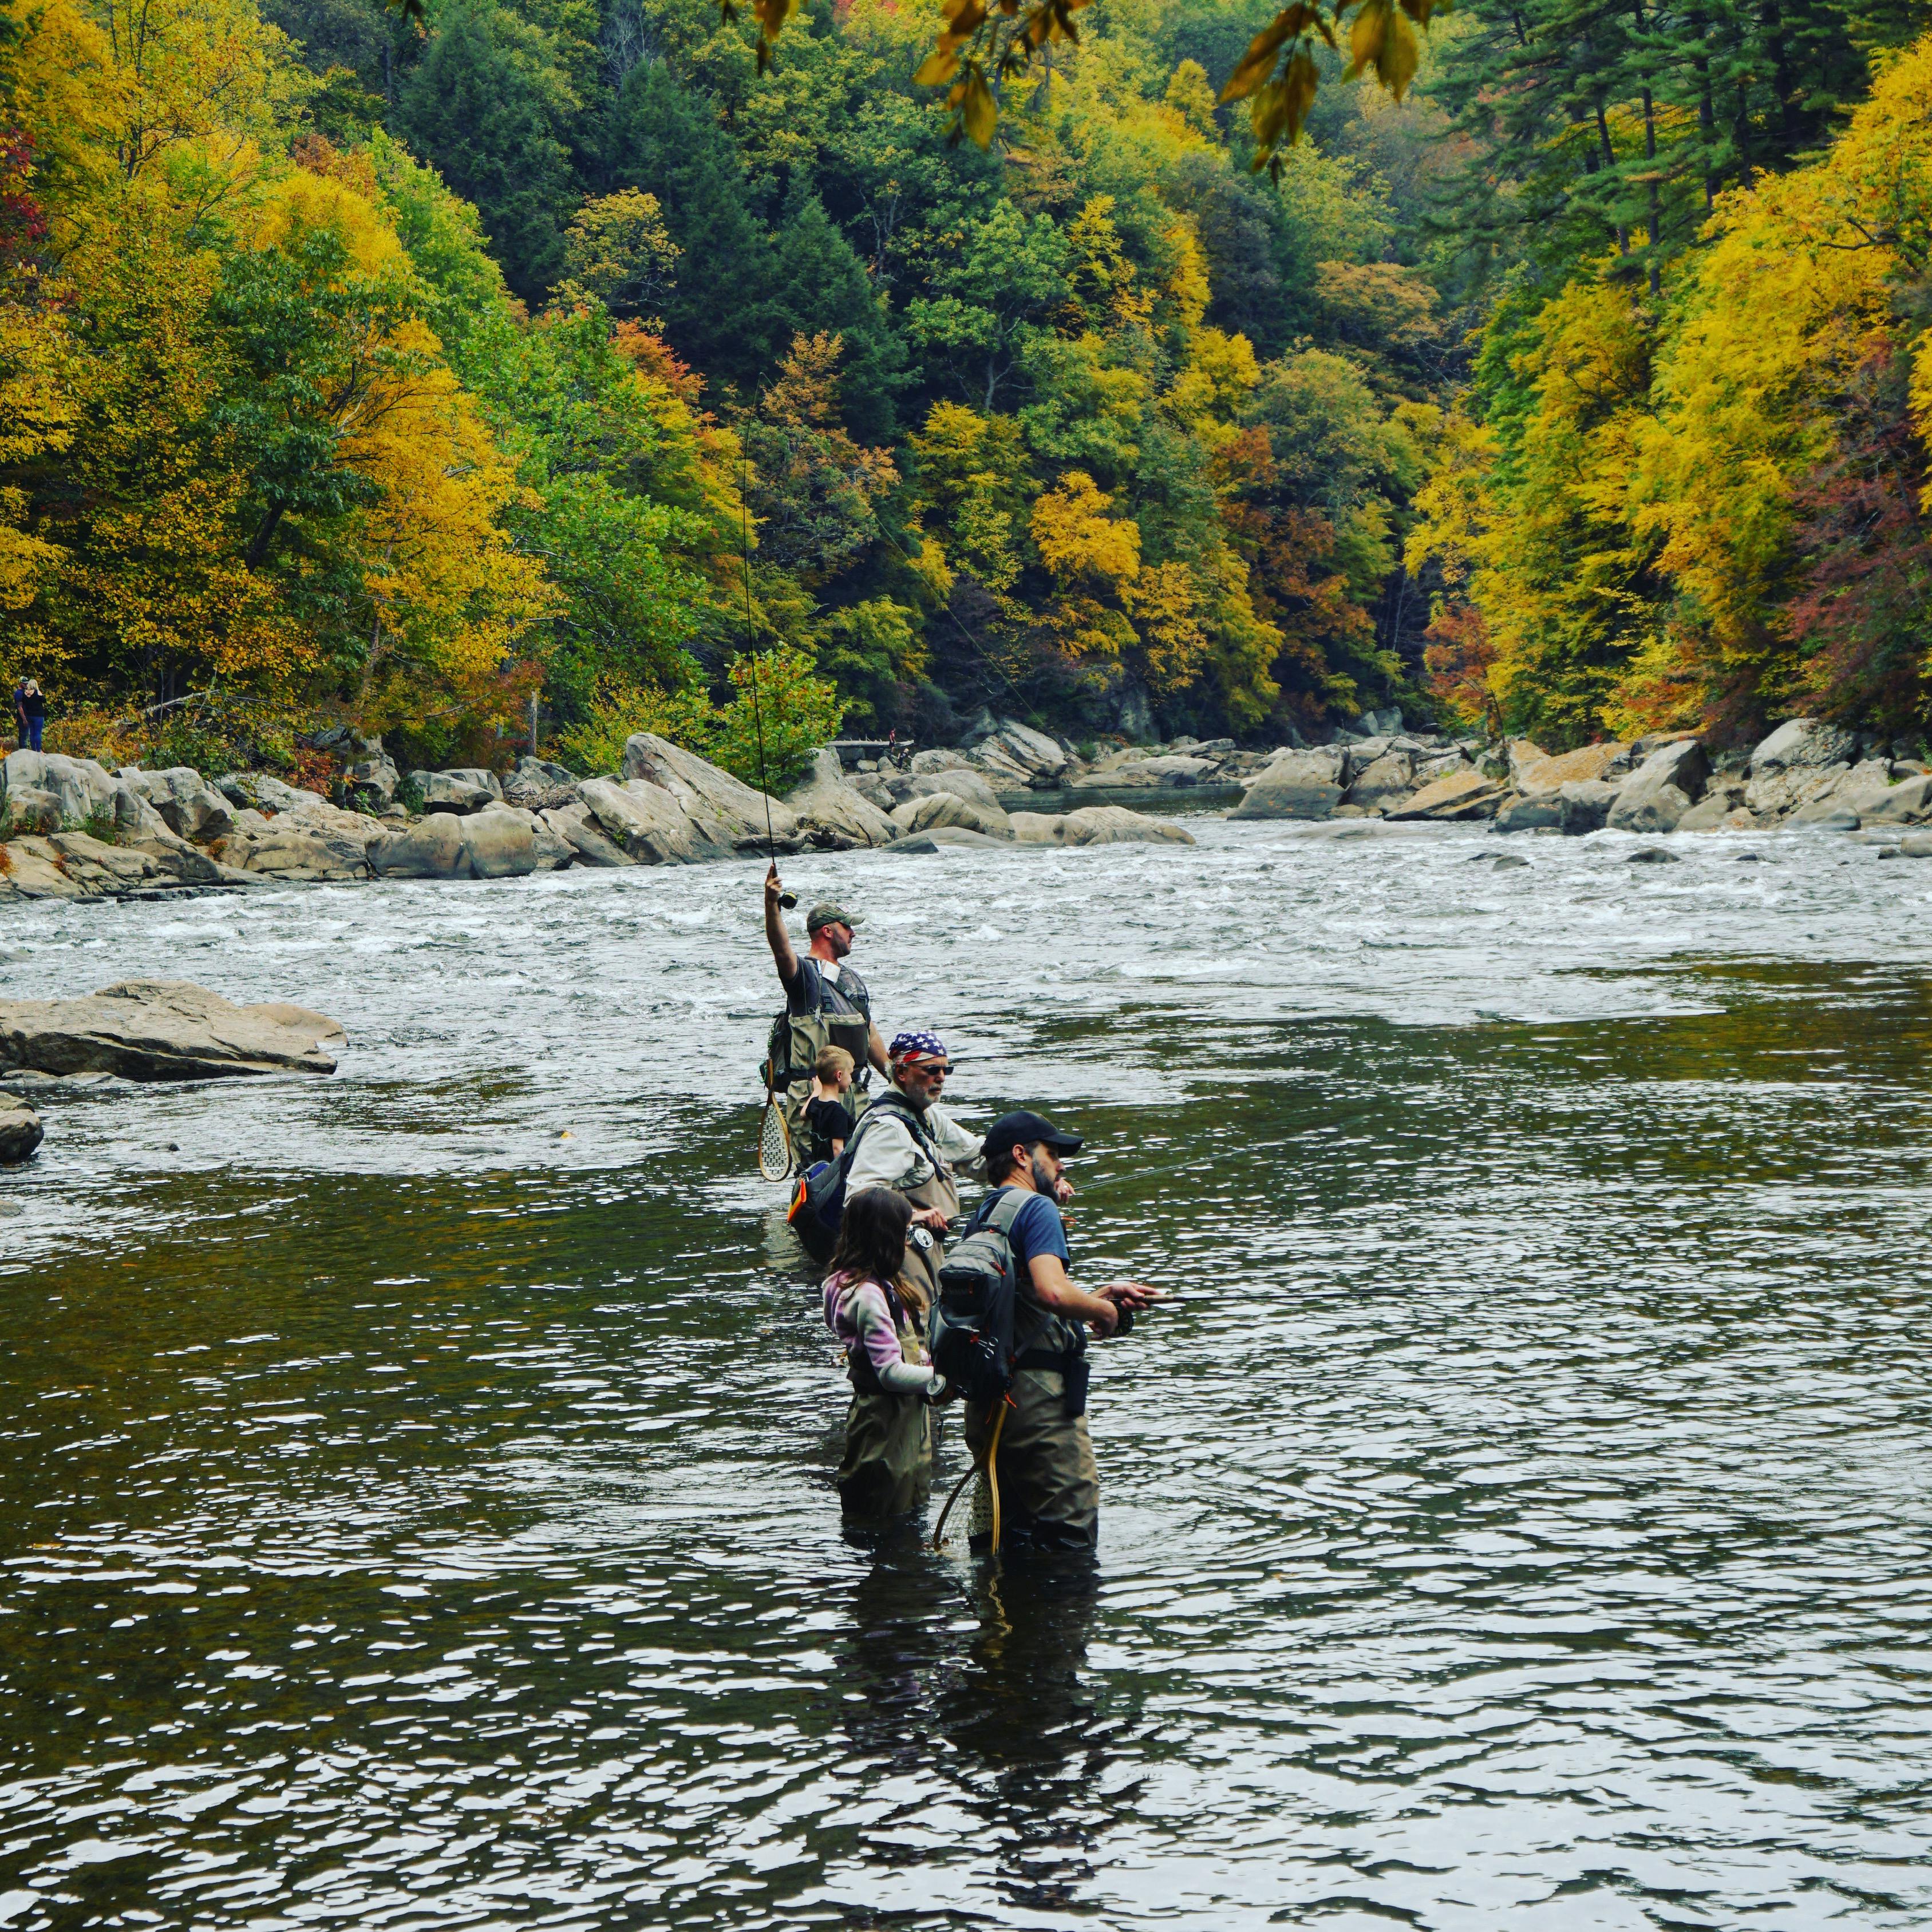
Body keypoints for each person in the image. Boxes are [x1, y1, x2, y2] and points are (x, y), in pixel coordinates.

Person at [959, 1110, 1159, 1556]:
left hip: (990, 1400)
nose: (1061, 1165)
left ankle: (1008, 1623)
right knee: (1069, 1531)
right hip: (1037, 1404)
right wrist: (1104, 1311)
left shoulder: (985, 1215)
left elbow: (1020, 1302)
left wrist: (1095, 1294)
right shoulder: (1038, 1207)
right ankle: (1061, 1625)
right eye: (1052, 1154)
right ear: (1021, 1156)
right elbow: (1051, 1291)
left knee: (1010, 1536)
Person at [823, 1186, 946, 1520]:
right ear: (885, 1238)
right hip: (885, 1429)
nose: (909, 1243)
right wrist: (945, 1381)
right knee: (889, 1520)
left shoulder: (853, 1283)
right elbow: (890, 1373)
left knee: (906, 1509)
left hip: (896, 1422)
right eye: (905, 1234)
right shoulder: (867, 1296)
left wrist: (924, 1359)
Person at [839, 1030, 982, 1308]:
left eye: (945, 1069)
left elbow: (976, 1156)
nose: (941, 1077)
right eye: (932, 1070)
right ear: (902, 1072)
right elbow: (858, 1199)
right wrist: (917, 1216)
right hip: (897, 1258)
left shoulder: (925, 1115)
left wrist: (1034, 1163)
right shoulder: (888, 1128)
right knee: (914, 1338)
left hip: (924, 1252)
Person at [763, 866, 887, 1151]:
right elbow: (781, 950)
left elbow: (869, 1032)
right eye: (848, 927)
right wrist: (772, 905)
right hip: (815, 1101)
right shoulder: (804, 976)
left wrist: (894, 1077)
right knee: (819, 1178)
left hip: (855, 1097)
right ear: (828, 931)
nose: (853, 933)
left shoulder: (853, 979)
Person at [803, 1044, 856, 1162]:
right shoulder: (838, 1112)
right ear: (839, 1076)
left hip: (818, 1165)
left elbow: (803, 1114)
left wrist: (816, 1091)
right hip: (831, 1171)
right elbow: (837, 1149)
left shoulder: (816, 1103)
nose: (852, 1080)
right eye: (850, 1074)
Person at [13, 678, 42, 754]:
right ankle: (26, 751)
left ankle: (31, 750)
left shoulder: (25, 693)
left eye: (27, 683)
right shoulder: (19, 693)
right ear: (20, 683)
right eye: (24, 683)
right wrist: (24, 719)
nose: (26, 685)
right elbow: (20, 707)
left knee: (30, 734)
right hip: (24, 717)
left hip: (29, 716)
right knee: (25, 735)